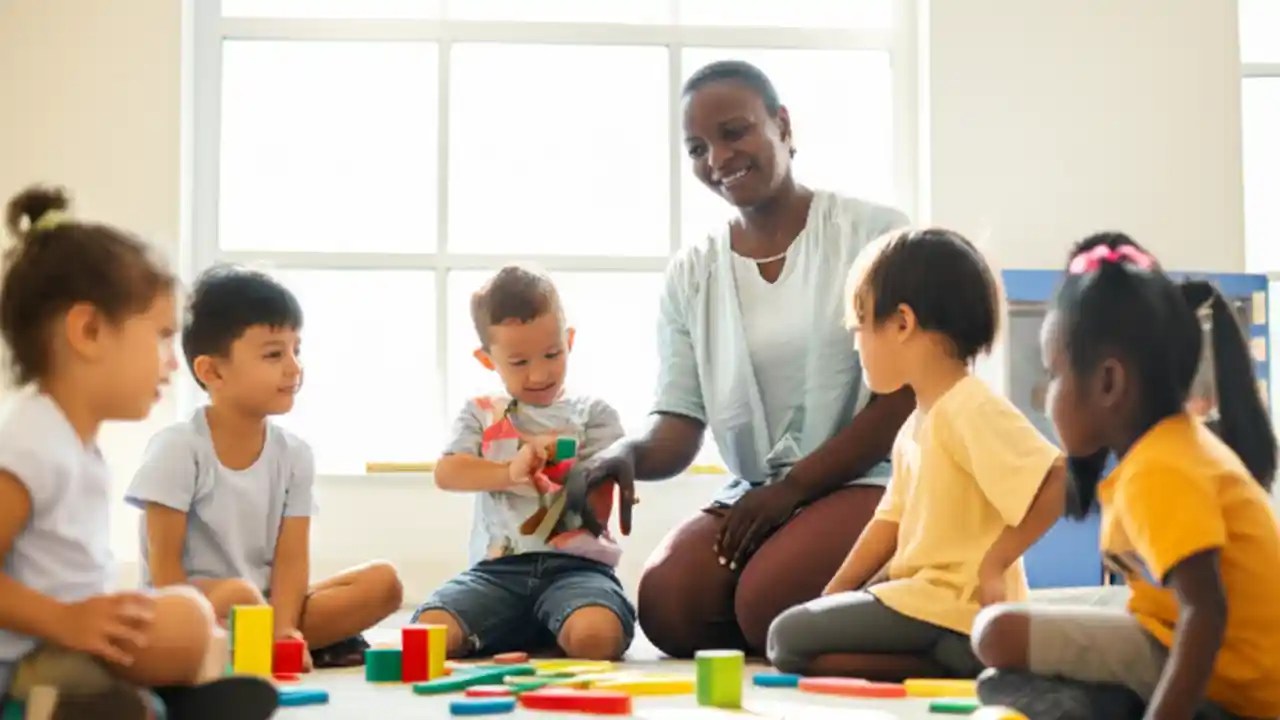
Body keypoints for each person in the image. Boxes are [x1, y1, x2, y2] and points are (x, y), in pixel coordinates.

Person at [569, 59, 916, 658]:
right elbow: (679, 423)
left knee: (765, 603)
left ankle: (892, 600)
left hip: (871, 479)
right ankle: (808, 616)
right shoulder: (691, 273)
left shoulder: (876, 235)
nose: (718, 158)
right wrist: (625, 453)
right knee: (667, 607)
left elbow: (906, 396)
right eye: (697, 147)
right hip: (757, 492)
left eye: (734, 132)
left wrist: (797, 490)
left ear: (782, 125)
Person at [972, 234, 1280, 720]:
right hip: (1202, 660)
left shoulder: (1161, 468)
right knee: (1003, 666)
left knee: (996, 634)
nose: (1046, 396)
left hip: (1232, 689)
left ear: (1109, 382)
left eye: (1054, 375)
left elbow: (1207, 610)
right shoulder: (1173, 450)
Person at [0, 186, 277, 718]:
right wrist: (63, 620)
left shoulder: (73, 443)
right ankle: (66, 706)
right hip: (28, 658)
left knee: (188, 616)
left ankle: (154, 704)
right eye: (161, 337)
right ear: (88, 331)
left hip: (68, 644)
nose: (172, 363)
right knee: (184, 622)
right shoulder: (30, 441)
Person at [766, 229, 1066, 679]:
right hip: (920, 600)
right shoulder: (915, 424)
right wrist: (834, 593)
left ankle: (974, 653)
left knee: (786, 638)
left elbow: (1059, 479)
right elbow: (887, 524)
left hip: (952, 606)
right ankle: (962, 660)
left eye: (860, 327)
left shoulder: (970, 406)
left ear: (902, 323)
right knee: (792, 643)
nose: (856, 345)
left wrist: (995, 562)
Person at [126, 265, 404, 669]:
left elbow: (292, 559)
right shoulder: (178, 448)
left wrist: (283, 631)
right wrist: (199, 620)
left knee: (383, 583)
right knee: (238, 594)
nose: (293, 367)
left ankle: (267, 643)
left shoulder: (295, 455)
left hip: (263, 605)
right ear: (212, 371)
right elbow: (164, 569)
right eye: (274, 354)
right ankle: (237, 646)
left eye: (297, 349)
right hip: (191, 606)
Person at [411, 266, 634, 661]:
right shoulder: (480, 413)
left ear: (569, 340)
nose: (539, 372)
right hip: (496, 572)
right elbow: (447, 473)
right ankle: (524, 624)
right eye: (518, 361)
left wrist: (563, 461)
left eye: (552, 354)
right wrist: (509, 470)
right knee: (427, 636)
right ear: (486, 359)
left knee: (597, 638)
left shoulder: (593, 413)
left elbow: (602, 497)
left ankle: (552, 623)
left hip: (577, 569)